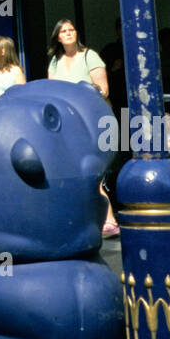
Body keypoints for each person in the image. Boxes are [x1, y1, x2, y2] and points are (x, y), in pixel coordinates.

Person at [47, 19, 119, 237]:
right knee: (71, 171)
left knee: (92, 171)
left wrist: (80, 93)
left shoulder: (90, 56)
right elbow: (51, 91)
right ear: (58, 37)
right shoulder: (55, 61)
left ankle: (109, 220)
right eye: (64, 31)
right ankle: (82, 220)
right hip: (67, 124)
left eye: (72, 30)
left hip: (91, 122)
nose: (69, 34)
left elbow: (103, 89)